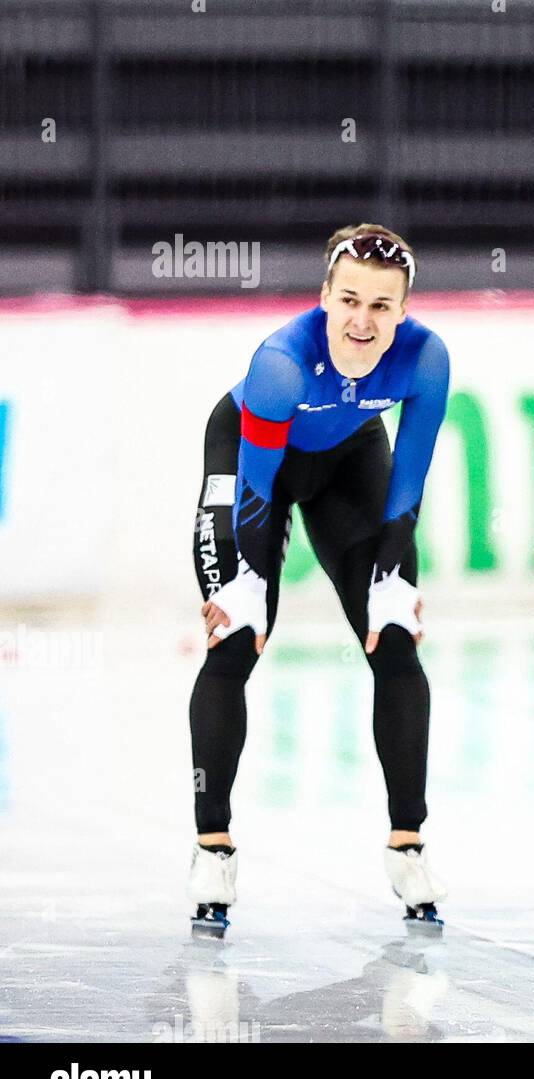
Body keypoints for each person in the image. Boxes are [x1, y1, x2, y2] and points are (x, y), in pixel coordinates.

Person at [186, 224, 452, 935]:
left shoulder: (427, 359)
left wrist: (394, 568)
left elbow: (410, 474)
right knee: (235, 639)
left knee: (394, 638)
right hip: (251, 463)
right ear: (325, 297)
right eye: (350, 300)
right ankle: (213, 846)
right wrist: (244, 579)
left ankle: (408, 842)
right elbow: (257, 487)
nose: (363, 321)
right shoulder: (281, 362)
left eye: (382, 306)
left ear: (404, 311)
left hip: (349, 459)